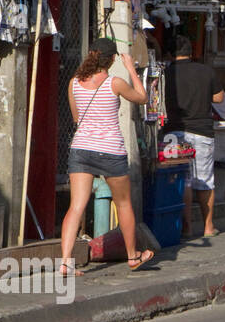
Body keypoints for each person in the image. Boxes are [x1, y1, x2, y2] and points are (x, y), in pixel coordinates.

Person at [58, 37, 155, 275]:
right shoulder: (116, 83)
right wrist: (131, 68)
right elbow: (142, 98)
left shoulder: (74, 83)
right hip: (110, 151)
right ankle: (133, 256)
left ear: (91, 55)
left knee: (76, 206)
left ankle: (65, 262)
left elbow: (75, 117)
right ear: (111, 59)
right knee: (123, 203)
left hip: (81, 149)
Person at [164, 35, 225, 239]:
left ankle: (186, 227)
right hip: (202, 131)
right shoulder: (206, 71)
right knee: (205, 181)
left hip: (174, 132)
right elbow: (219, 97)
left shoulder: (166, 73)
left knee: (184, 181)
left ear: (171, 54)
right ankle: (208, 227)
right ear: (192, 52)